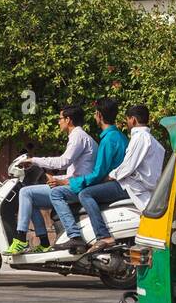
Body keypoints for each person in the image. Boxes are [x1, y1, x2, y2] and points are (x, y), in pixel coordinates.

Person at [6, 106, 96, 257]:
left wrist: (34, 161)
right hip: (76, 184)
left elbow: (62, 162)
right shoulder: (82, 137)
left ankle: (21, 238)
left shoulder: (77, 137)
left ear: (68, 120)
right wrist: (57, 178)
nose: (58, 122)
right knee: (30, 198)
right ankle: (44, 243)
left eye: (60, 119)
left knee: (25, 192)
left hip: (78, 187)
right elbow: (75, 171)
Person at [79, 105, 165, 252]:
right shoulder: (155, 142)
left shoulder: (139, 138)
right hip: (144, 187)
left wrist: (110, 176)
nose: (127, 123)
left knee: (85, 194)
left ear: (133, 119)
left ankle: (103, 236)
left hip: (131, 186)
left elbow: (128, 166)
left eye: (127, 119)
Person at [46, 97, 127, 253]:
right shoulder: (118, 136)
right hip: (117, 182)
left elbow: (97, 174)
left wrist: (70, 183)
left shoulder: (109, 139)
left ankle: (101, 236)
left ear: (99, 115)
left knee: (84, 194)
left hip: (117, 185)